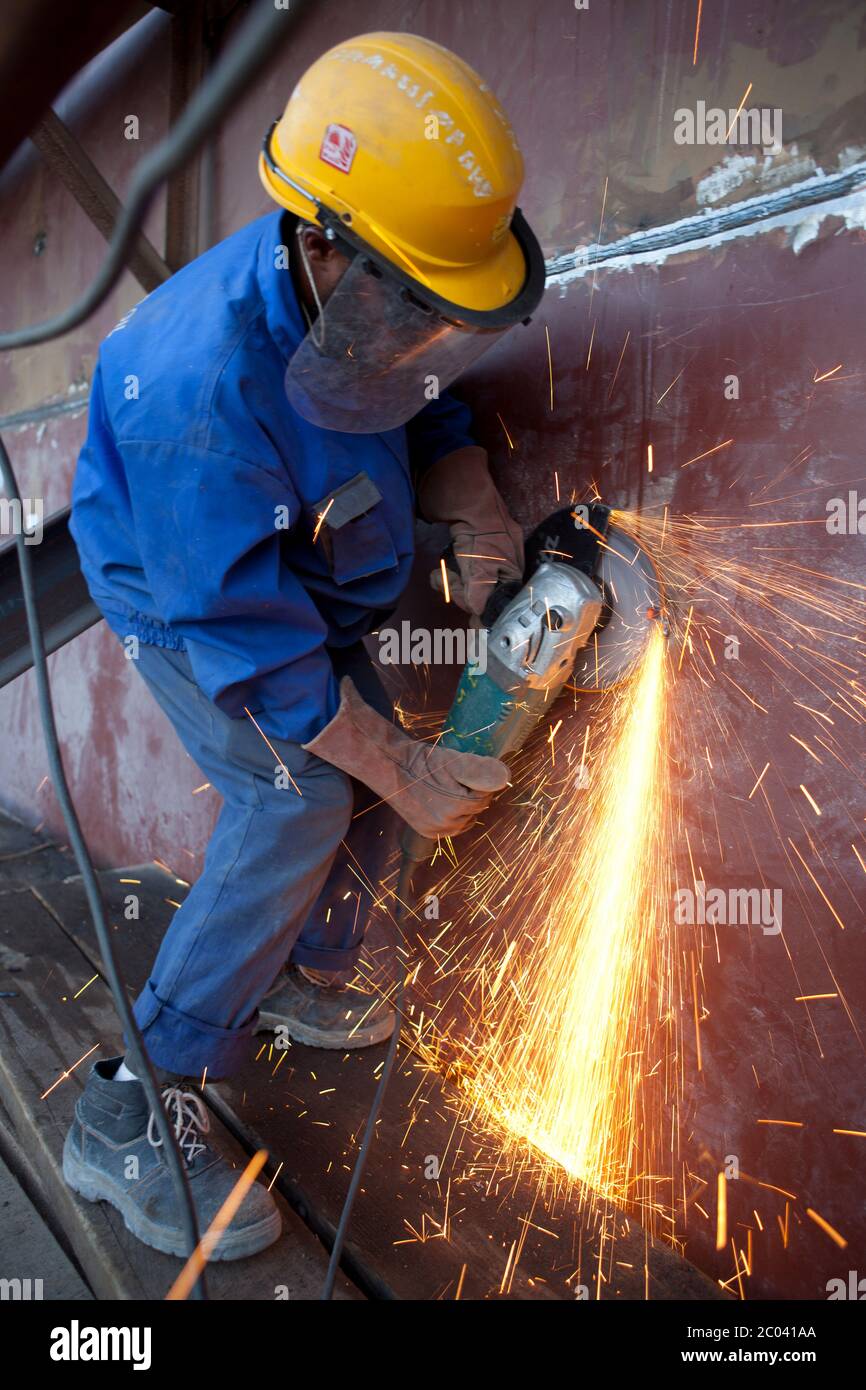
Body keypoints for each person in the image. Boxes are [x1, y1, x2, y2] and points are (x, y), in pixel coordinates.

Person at [64, 31, 544, 1259]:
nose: (426, 329)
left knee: (366, 744)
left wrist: (467, 479)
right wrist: (400, 767)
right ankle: (132, 1102)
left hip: (305, 547)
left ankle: (305, 970)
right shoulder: (194, 398)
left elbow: (421, 383)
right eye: (414, 305)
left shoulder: (367, 282)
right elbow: (262, 659)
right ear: (324, 245)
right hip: (186, 587)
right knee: (296, 798)